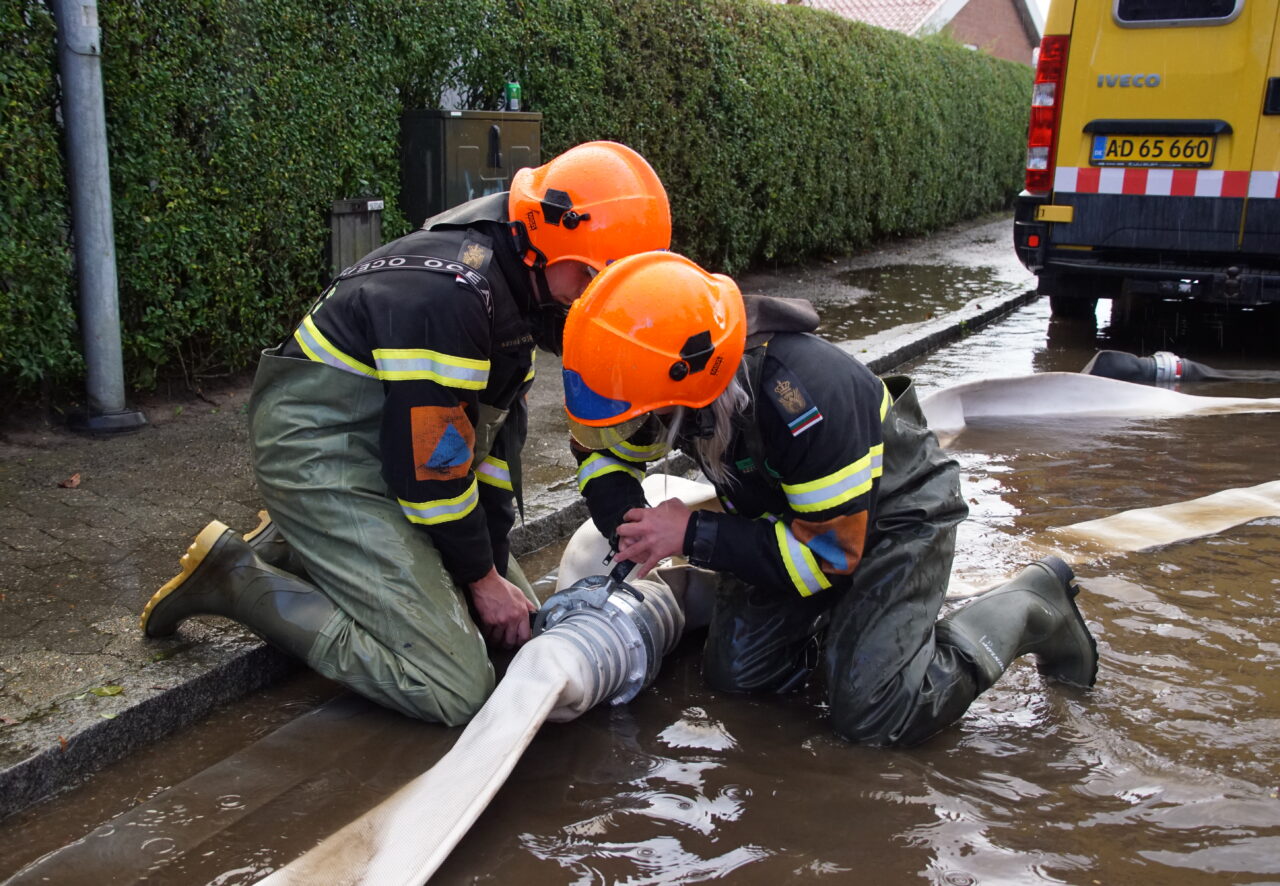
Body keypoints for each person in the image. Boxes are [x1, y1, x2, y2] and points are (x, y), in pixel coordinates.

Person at [140, 141, 672, 726]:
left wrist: (490, 566)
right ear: (556, 238)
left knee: (516, 635)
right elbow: (432, 473)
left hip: (388, 451)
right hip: (322, 455)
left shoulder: (517, 287)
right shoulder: (453, 297)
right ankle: (235, 580)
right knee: (457, 685)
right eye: (597, 275)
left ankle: (302, 541)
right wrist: (479, 580)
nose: (598, 296)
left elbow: (487, 451)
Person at [560, 251, 1098, 746]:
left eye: (638, 413)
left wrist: (691, 535)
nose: (634, 425)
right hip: (788, 520)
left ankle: (1032, 602)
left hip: (895, 520)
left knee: (874, 715)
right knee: (738, 679)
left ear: (690, 389)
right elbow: (600, 449)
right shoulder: (669, 375)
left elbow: (829, 557)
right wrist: (623, 525)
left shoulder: (803, 398)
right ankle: (852, 635)